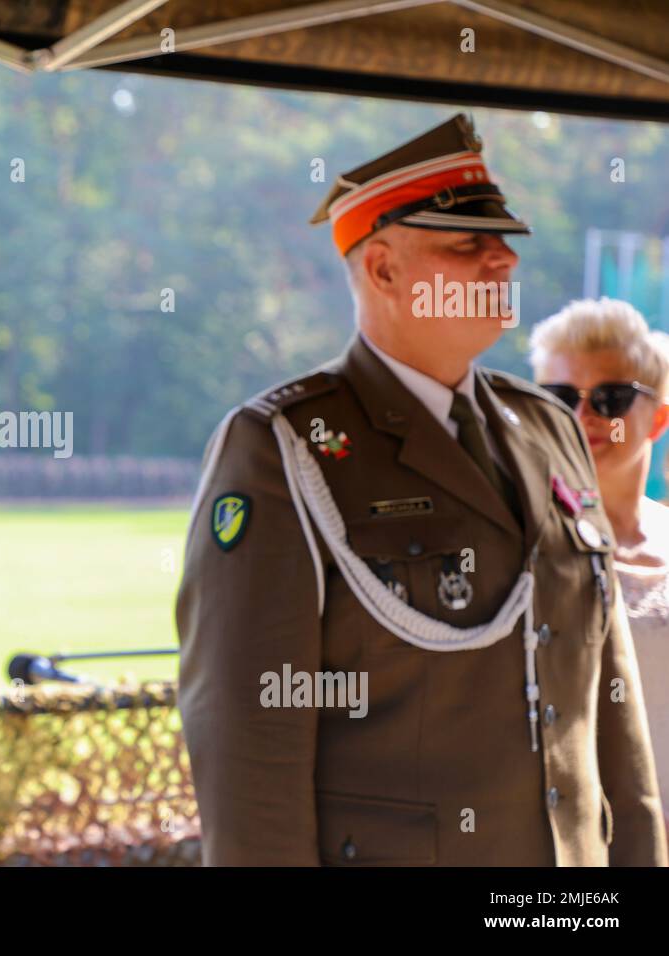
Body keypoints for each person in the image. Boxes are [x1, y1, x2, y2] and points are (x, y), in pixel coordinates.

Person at [176, 112, 667, 866]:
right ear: (382, 270)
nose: (503, 259)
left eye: (502, 240)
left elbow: (610, 701)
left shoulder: (547, 427)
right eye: (467, 244)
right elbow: (249, 739)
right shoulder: (284, 447)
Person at [530, 297, 669, 841]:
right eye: (561, 397)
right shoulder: (515, 550)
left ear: (658, 416)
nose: (583, 416)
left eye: (610, 398)